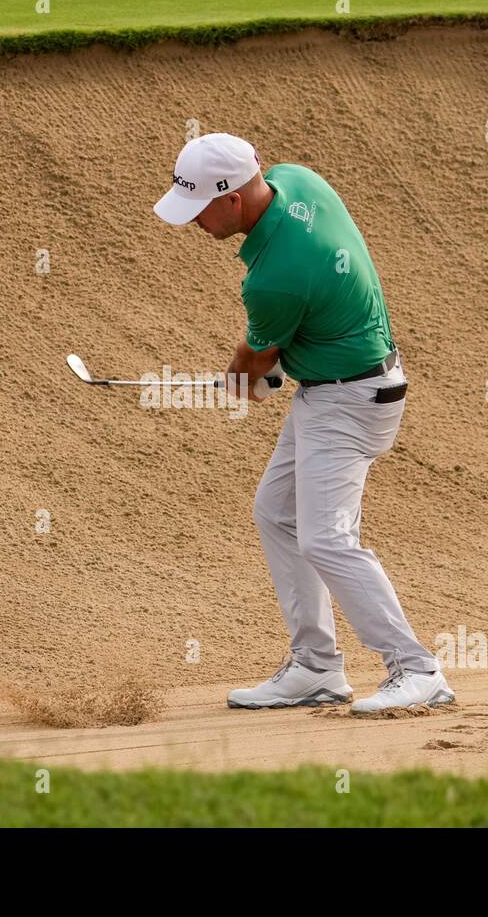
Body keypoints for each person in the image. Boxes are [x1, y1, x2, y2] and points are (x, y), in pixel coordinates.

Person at [153, 133, 455, 713]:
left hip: (350, 400)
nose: (193, 223)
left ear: (234, 199)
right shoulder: (298, 179)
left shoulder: (274, 279)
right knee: (277, 512)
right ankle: (316, 667)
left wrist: (243, 375)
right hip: (338, 388)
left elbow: (256, 369)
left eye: (198, 209)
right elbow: (271, 365)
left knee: (326, 537)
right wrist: (258, 373)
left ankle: (417, 669)